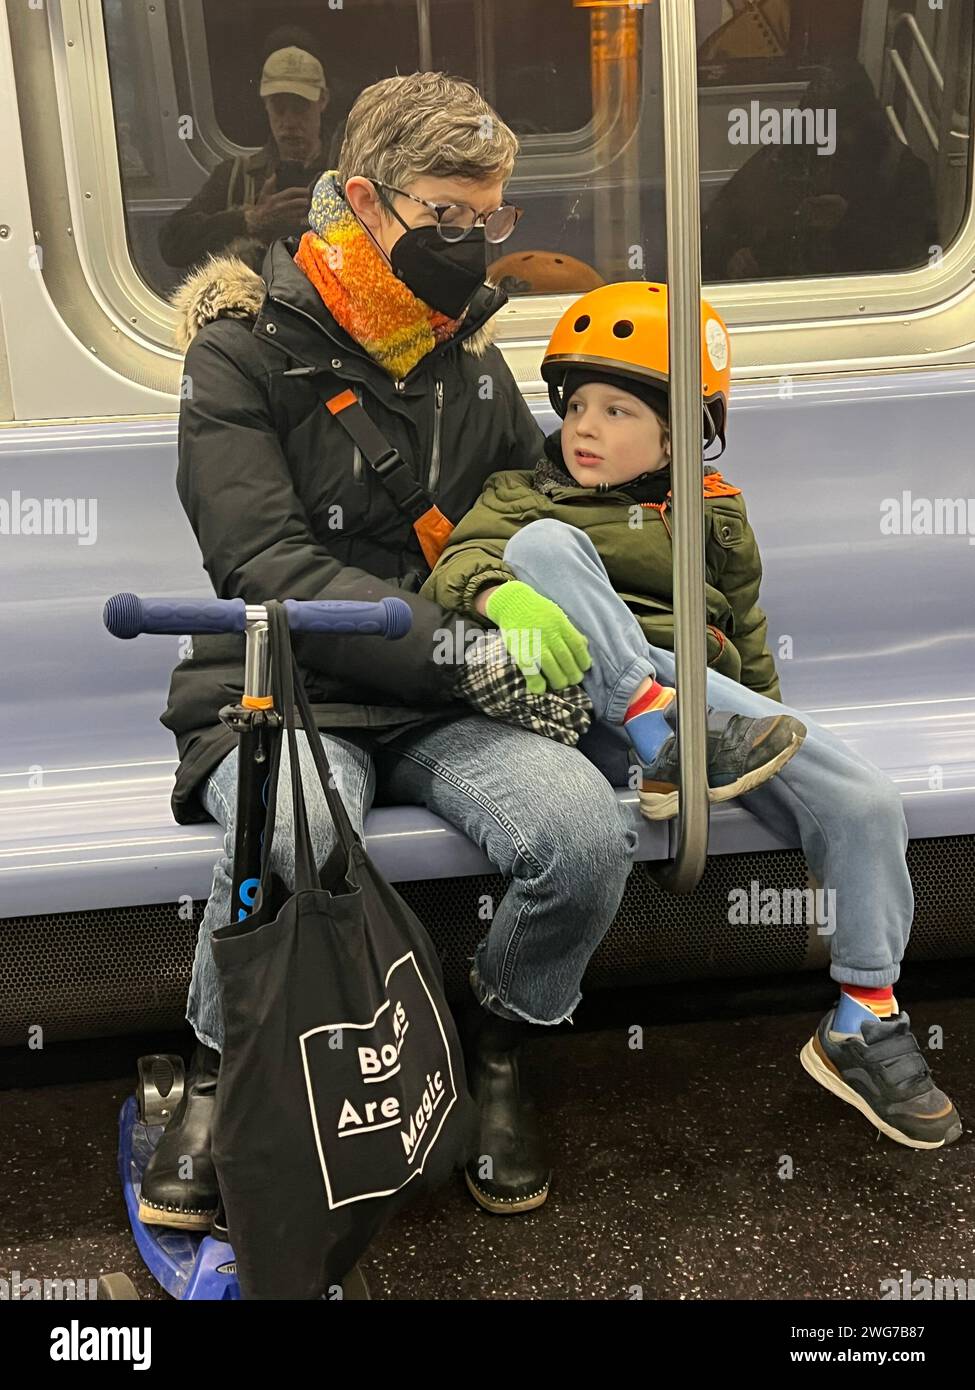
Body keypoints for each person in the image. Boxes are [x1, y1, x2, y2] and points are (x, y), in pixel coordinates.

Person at [142, 70, 808, 1232]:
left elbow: (537, 496)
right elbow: (265, 569)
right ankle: (210, 1073)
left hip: (451, 699)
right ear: (363, 198)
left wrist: (651, 533)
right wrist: (467, 649)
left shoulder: (461, 355)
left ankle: (500, 1046)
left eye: (489, 218)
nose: (470, 242)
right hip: (297, 684)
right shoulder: (239, 359)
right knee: (295, 824)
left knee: (583, 837)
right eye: (445, 216)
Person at [421, 280, 963, 1154]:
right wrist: (500, 594)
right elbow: (456, 568)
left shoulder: (714, 511)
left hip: (707, 709)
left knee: (865, 801)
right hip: (586, 709)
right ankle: (655, 727)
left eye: (619, 410)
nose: (585, 428)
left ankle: (863, 1016)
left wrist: (765, 733)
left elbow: (741, 632)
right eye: (576, 407)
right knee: (541, 552)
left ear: (677, 433)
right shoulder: (527, 498)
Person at [702, 61, 938, 280]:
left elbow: (913, 263)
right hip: (780, 288)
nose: (829, 139)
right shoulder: (785, 153)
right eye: (819, 125)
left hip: (856, 296)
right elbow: (720, 219)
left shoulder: (902, 172)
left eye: (841, 126)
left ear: (865, 121)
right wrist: (733, 255)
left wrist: (849, 221)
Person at [158, 46, 335, 271]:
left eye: (300, 108)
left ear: (324, 100)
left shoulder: (344, 171)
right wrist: (250, 219)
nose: (289, 122)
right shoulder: (238, 176)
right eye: (279, 109)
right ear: (265, 105)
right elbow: (172, 243)